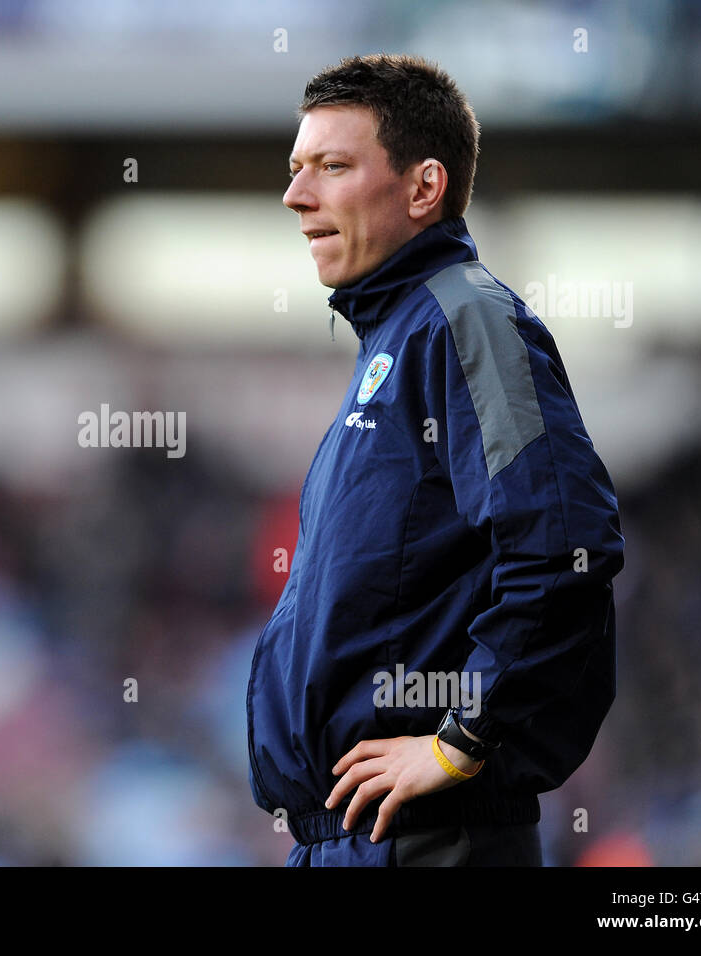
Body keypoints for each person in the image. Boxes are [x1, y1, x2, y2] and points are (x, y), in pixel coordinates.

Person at [246, 54, 624, 866]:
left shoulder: (467, 319)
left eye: (333, 166)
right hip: (355, 838)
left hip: (429, 841)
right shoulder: (401, 335)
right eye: (295, 169)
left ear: (424, 188)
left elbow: (565, 550)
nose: (296, 194)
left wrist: (460, 740)